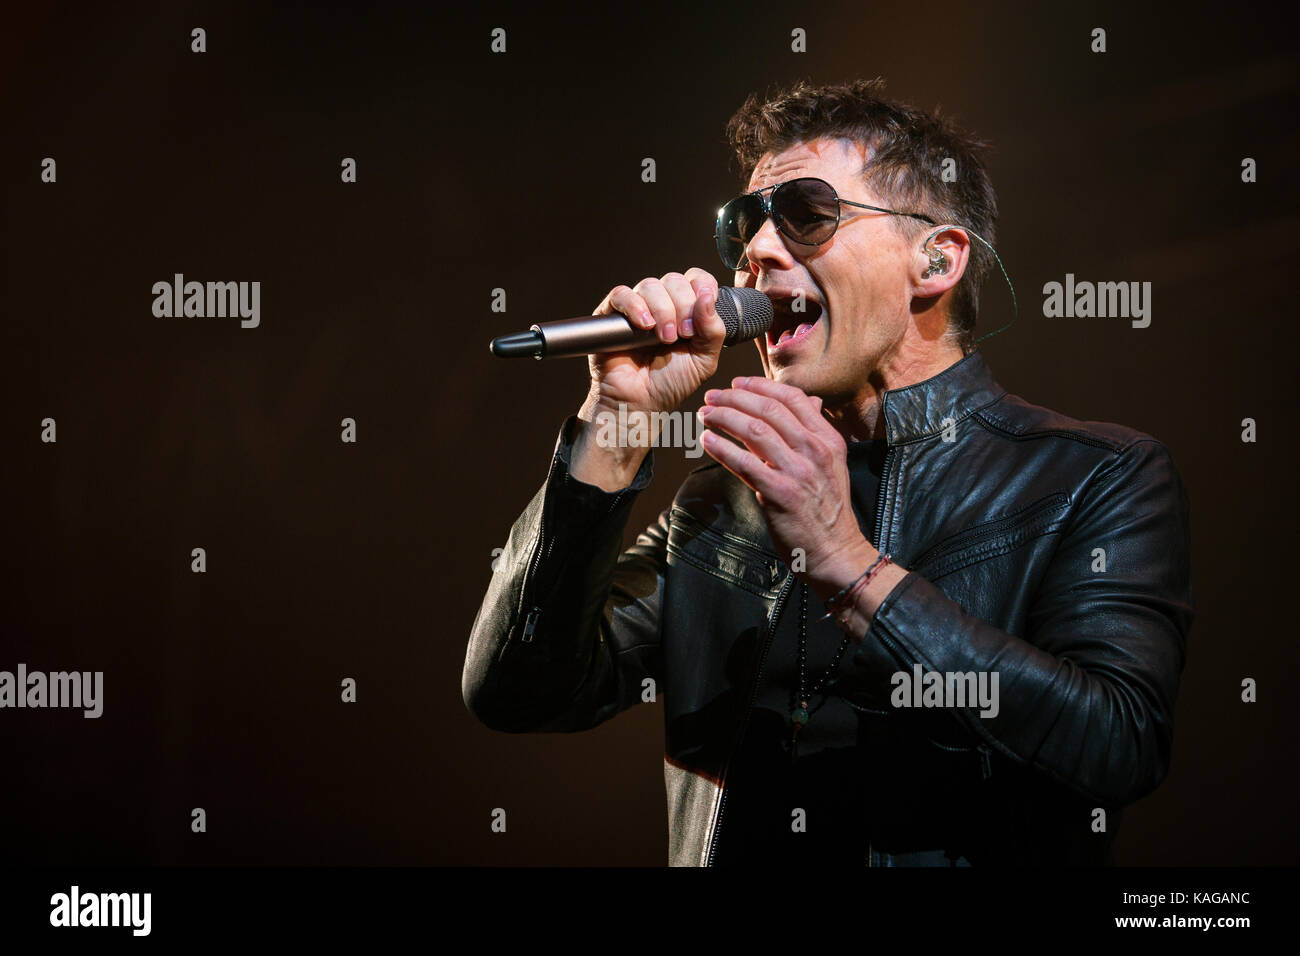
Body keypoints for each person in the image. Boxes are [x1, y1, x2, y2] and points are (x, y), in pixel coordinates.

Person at [462, 78, 1194, 866]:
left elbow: (1119, 743)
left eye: (808, 214)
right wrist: (617, 419)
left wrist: (848, 566)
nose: (758, 250)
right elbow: (518, 691)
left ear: (937, 259)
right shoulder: (724, 499)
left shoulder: (1093, 476)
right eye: (743, 226)